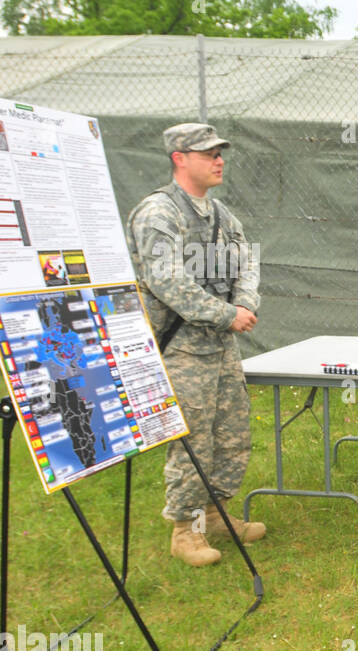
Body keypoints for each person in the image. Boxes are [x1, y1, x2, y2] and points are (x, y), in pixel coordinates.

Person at [126, 123, 264, 567]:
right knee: (191, 438)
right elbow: (166, 280)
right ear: (179, 158)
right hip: (179, 348)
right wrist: (227, 314)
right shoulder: (158, 213)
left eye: (220, 152)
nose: (218, 159)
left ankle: (216, 513)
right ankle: (186, 530)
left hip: (222, 347)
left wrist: (243, 303)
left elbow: (248, 263)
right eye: (207, 153)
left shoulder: (222, 215)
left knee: (232, 432)